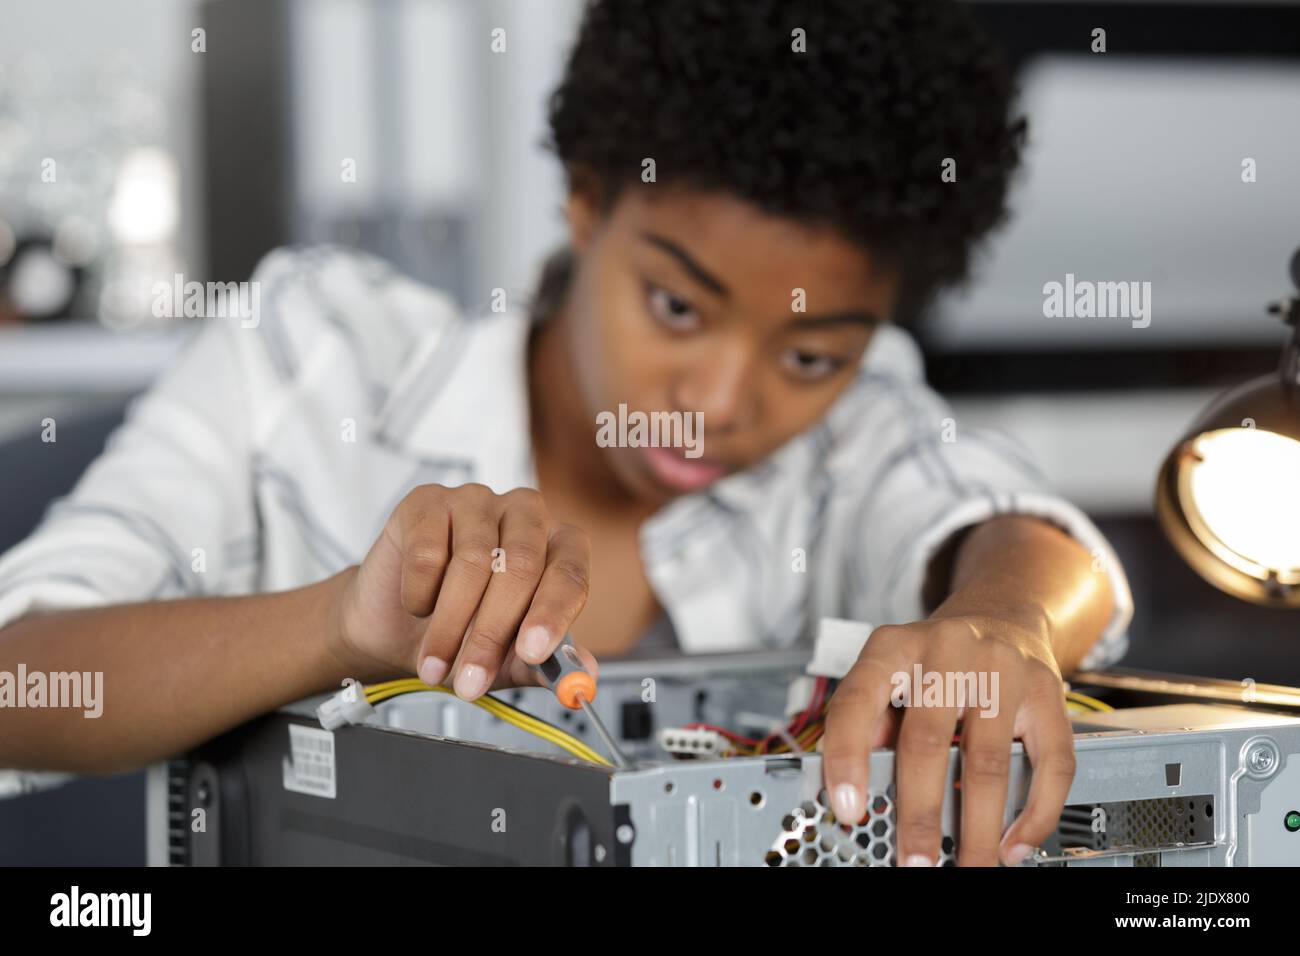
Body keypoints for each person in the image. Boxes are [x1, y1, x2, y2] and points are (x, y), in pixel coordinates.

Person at [0, 0, 1132, 867]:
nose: (721, 397)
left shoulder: (860, 427)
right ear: (588, 200)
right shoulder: (311, 353)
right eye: (677, 307)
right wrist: (341, 621)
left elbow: (1017, 530)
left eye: (807, 354)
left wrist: (1001, 618)